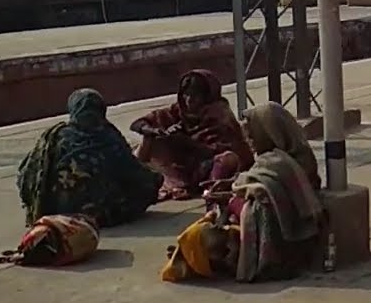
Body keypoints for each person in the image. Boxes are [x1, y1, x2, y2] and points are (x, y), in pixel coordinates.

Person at [164, 102, 324, 284]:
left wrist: (231, 198)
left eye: (253, 138)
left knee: (202, 235)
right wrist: (233, 187)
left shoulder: (276, 161)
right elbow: (256, 182)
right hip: (276, 235)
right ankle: (189, 254)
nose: (250, 144)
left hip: (275, 240)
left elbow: (263, 196)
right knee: (206, 232)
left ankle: (190, 257)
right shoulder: (298, 157)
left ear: (269, 133)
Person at [16, 88, 162, 228]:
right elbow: (135, 173)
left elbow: (26, 175)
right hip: (103, 214)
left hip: (56, 214)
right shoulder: (107, 136)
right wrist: (155, 178)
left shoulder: (54, 136)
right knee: (150, 182)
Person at [132, 69, 254, 202]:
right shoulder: (179, 110)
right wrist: (154, 131)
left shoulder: (219, 114)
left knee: (226, 160)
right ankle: (170, 183)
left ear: (206, 96)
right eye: (186, 95)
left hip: (209, 166)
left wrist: (185, 142)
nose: (189, 100)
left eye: (195, 96)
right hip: (184, 167)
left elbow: (220, 150)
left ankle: (211, 190)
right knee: (152, 140)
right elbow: (139, 124)